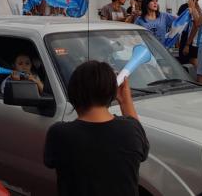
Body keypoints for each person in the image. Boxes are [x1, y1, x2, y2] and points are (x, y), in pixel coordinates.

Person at [43, 61, 148, 196]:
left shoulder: (59, 134)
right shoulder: (131, 130)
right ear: (111, 93)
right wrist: (125, 100)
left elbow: (50, 162)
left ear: (73, 93)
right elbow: (142, 149)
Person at [178, 0, 202, 67]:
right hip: (191, 37)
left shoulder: (198, 5)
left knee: (195, 65)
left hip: (194, 40)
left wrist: (187, 44)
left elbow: (196, 25)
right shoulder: (185, 6)